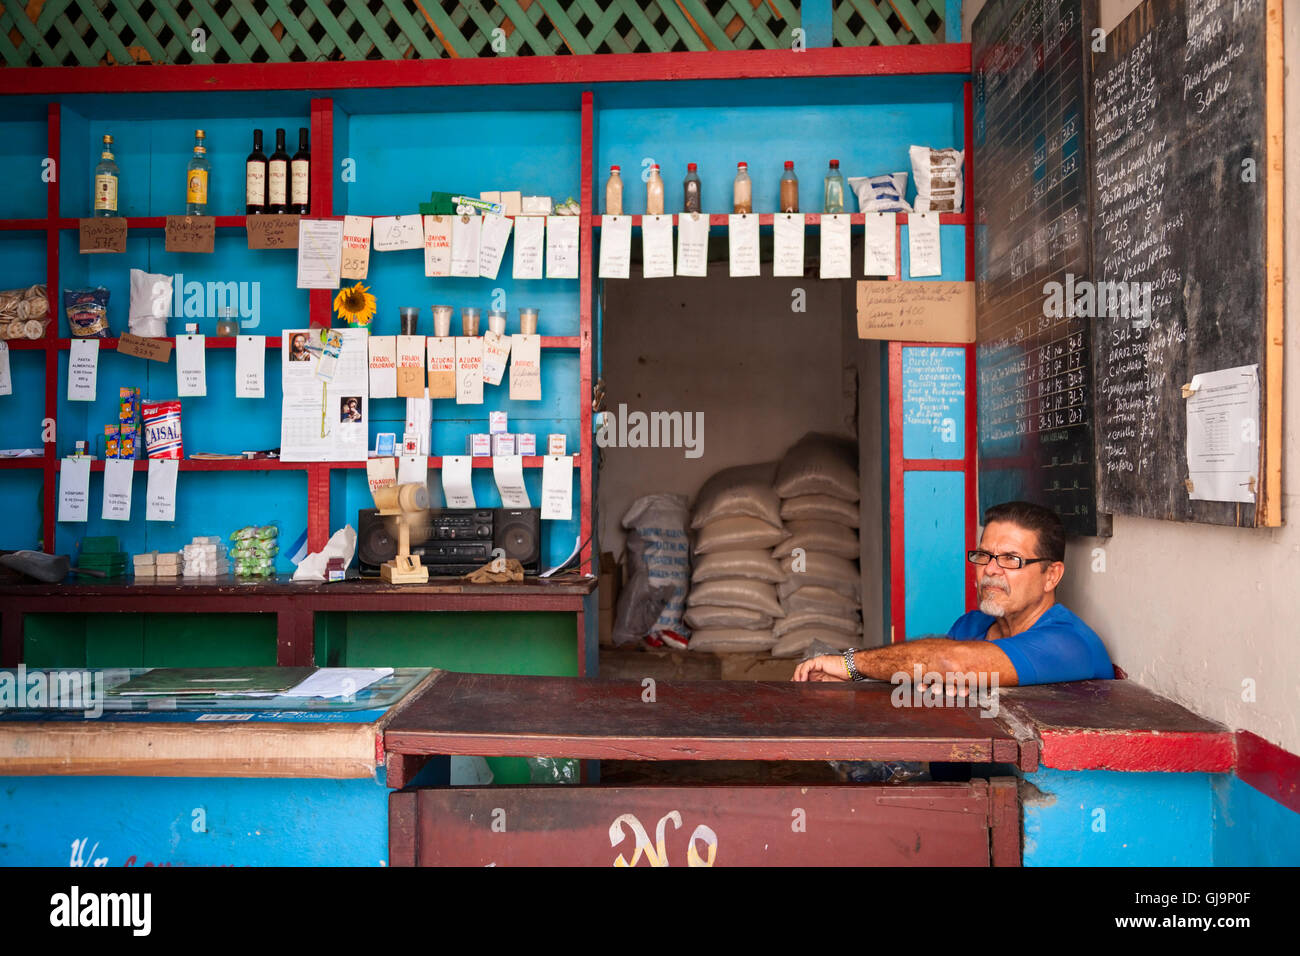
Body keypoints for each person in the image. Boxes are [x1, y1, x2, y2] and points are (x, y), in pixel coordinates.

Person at [792, 500, 1113, 687]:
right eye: (984, 555)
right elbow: (924, 675)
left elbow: (948, 662)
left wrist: (851, 664)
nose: (990, 569)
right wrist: (857, 683)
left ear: (1051, 575)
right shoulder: (971, 626)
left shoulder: (1068, 643)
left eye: (1011, 560)